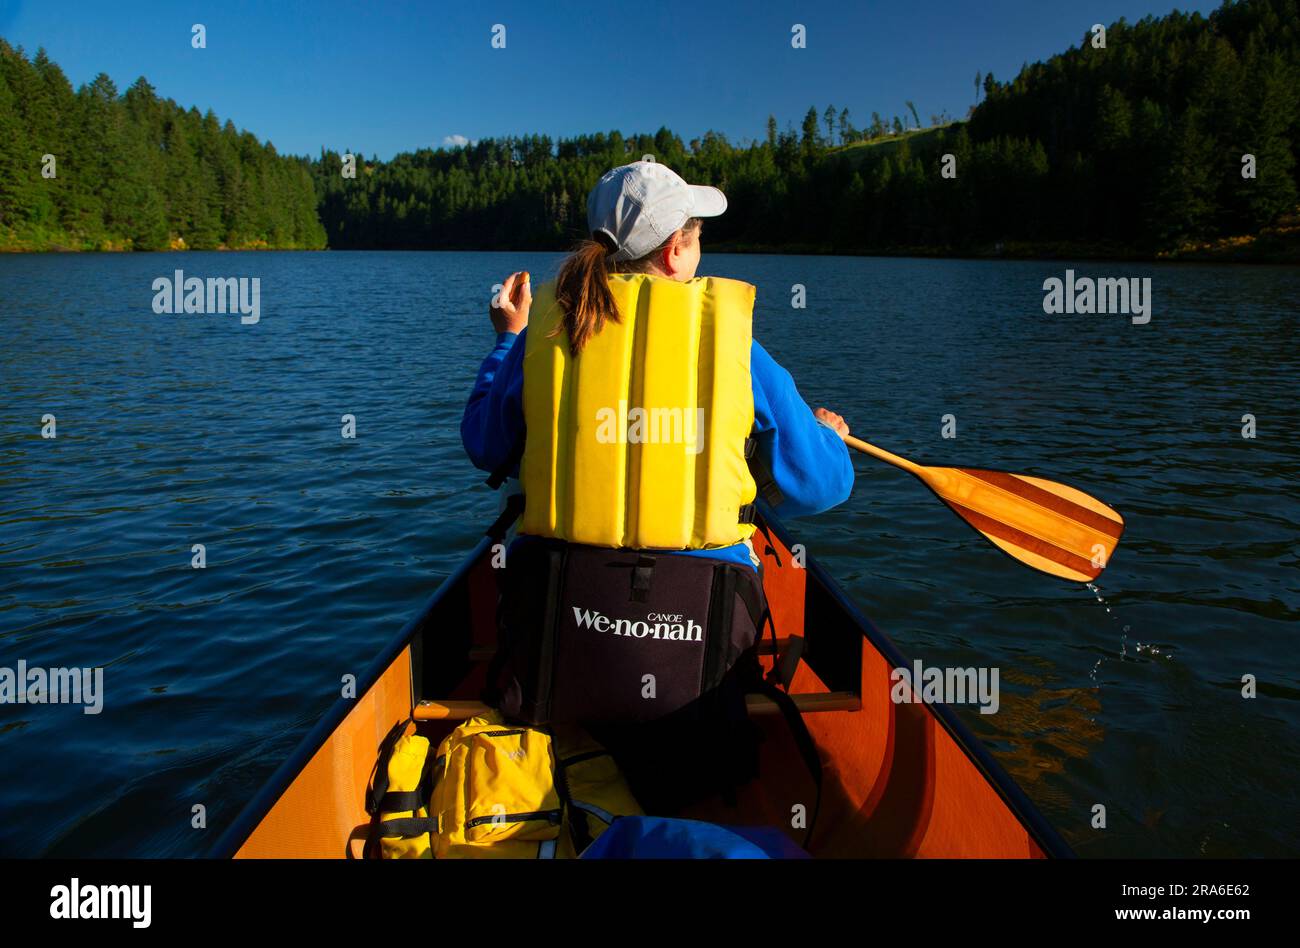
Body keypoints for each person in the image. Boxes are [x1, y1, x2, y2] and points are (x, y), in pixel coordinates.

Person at [460, 160, 854, 814]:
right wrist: (828, 436)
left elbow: (484, 445)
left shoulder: (544, 336)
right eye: (698, 237)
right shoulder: (736, 348)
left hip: (561, 627)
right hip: (696, 645)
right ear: (677, 250)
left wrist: (507, 342)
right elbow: (819, 488)